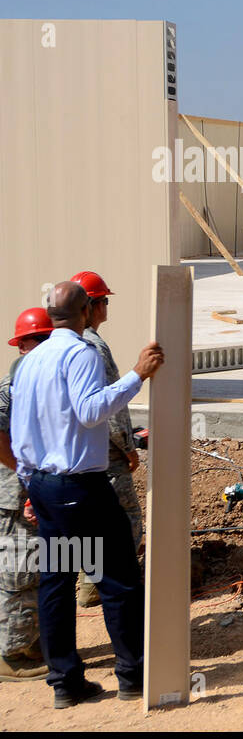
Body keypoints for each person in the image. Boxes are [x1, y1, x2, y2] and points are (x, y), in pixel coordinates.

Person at [8, 282, 164, 708]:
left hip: (46, 488)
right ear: (86, 310)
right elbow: (92, 410)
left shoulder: (29, 362)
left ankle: (65, 683)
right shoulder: (80, 354)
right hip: (80, 488)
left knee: (56, 582)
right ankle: (133, 674)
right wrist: (138, 375)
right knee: (117, 579)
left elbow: (19, 434)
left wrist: (31, 483)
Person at [69, 271, 143, 610]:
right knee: (125, 516)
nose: (107, 307)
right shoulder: (94, 347)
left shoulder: (65, 344)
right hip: (106, 452)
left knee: (88, 520)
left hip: (79, 452)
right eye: (105, 301)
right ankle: (112, 584)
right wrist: (126, 446)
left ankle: (89, 581)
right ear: (94, 306)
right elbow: (109, 404)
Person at [0, 308, 54, 682]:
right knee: (19, 568)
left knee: (32, 565)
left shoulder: (36, 381)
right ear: (22, 346)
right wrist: (25, 477)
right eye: (38, 341)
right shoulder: (11, 387)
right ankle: (14, 653)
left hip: (29, 485)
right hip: (14, 490)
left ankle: (28, 640)